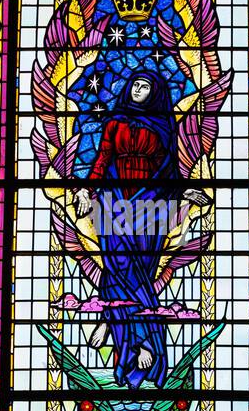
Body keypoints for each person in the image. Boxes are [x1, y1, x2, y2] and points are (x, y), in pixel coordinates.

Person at [74, 70, 194, 388]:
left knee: (140, 273)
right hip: (113, 202)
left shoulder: (164, 127)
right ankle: (134, 344)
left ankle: (130, 337)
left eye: (145, 87)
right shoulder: (115, 122)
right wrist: (86, 189)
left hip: (150, 206)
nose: (139, 90)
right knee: (117, 269)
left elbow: (170, 169)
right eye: (135, 85)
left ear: (155, 94)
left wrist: (183, 193)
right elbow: (102, 159)